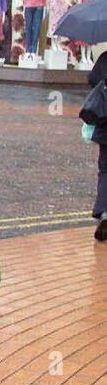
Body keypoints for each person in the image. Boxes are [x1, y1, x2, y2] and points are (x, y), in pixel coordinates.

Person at [88, 49, 107, 242]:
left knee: (105, 170)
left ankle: (104, 212)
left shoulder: (105, 59)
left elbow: (92, 78)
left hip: (105, 126)